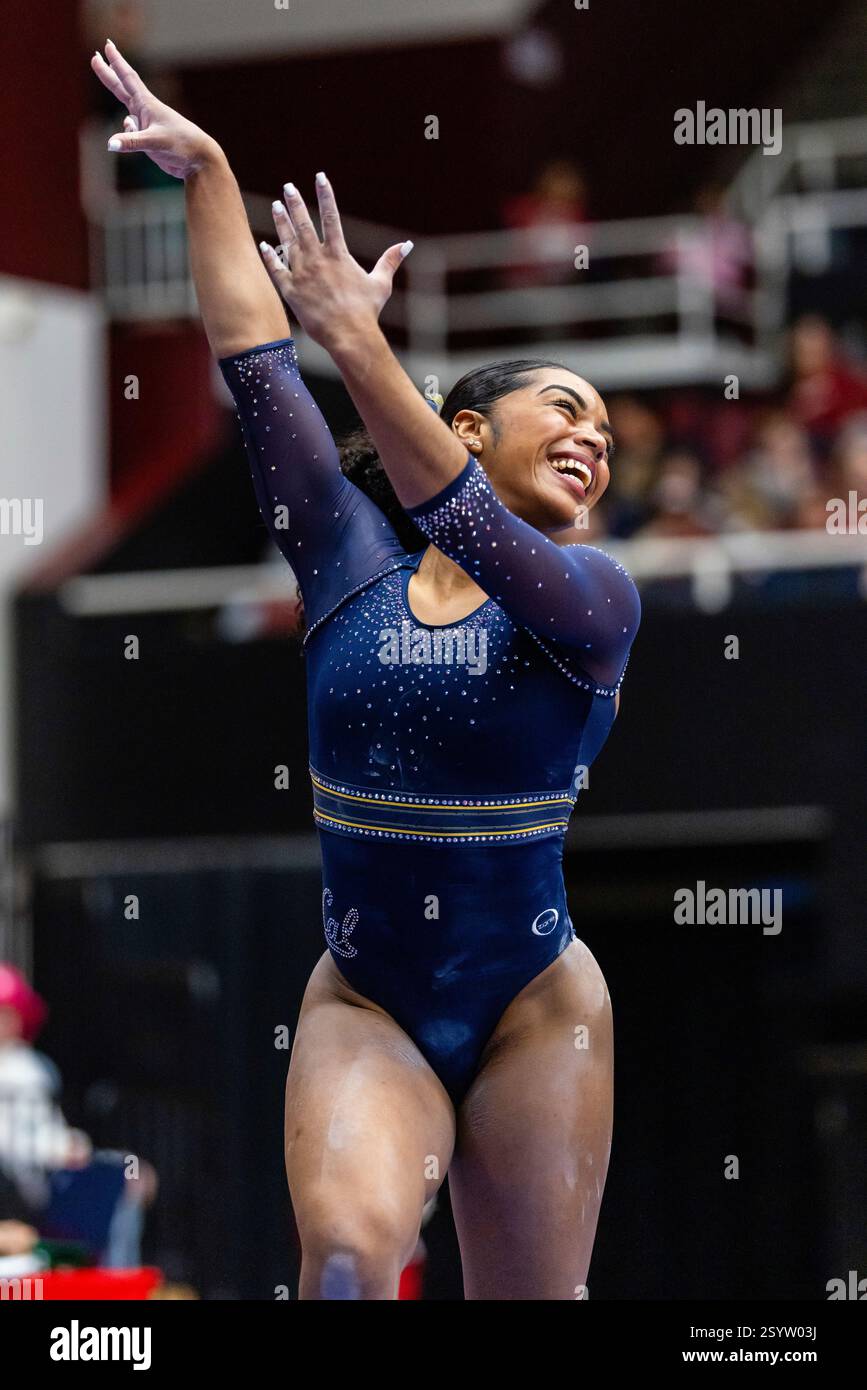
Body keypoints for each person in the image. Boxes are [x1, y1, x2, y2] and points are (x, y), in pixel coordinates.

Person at [94, 41, 640, 1300]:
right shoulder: (348, 567)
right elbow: (253, 363)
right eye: (562, 408)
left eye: (606, 434)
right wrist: (213, 175)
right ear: (468, 426)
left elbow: (462, 523)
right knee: (345, 1262)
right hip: (366, 996)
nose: (591, 438)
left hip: (537, 1010)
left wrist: (354, 338)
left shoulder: (596, 602)